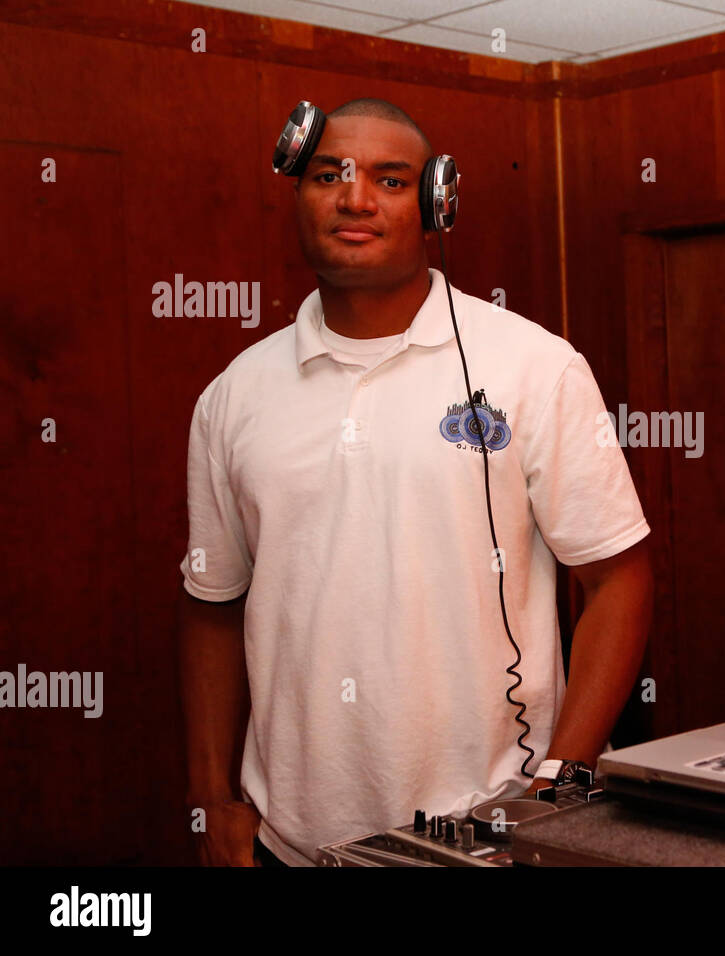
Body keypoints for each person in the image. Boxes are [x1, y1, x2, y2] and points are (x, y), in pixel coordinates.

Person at [177, 98, 654, 866]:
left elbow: (618, 578)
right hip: (289, 843)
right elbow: (211, 604)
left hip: (487, 837)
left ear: (437, 203)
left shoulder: (535, 368)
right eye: (329, 174)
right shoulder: (233, 396)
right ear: (298, 191)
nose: (355, 197)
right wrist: (213, 799)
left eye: (390, 180)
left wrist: (560, 783)